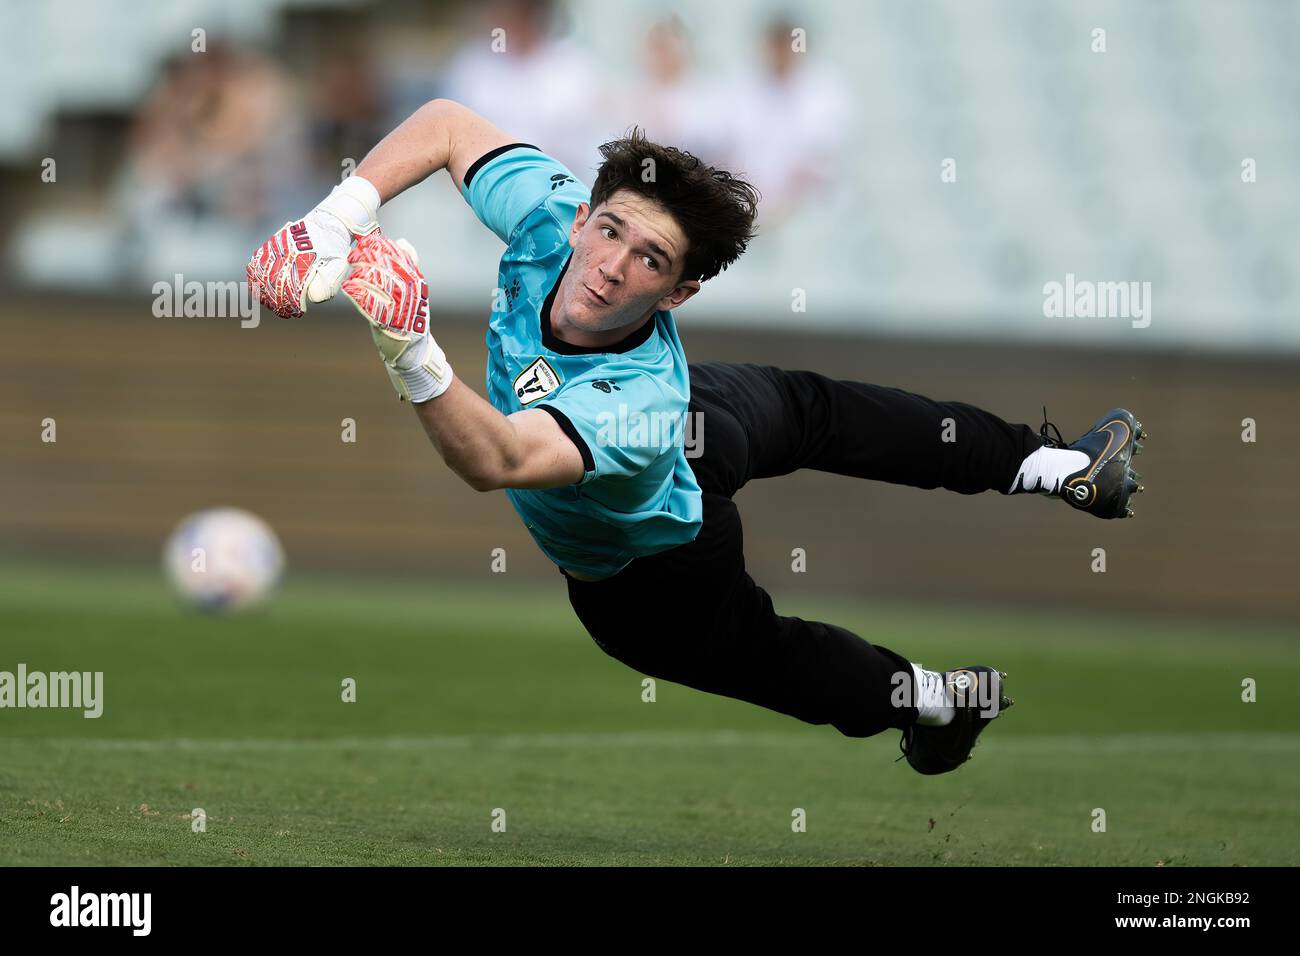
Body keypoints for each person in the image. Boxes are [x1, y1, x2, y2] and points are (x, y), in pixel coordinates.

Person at [246, 99, 1147, 775]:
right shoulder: (547, 219)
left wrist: (408, 345)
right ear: (581, 216)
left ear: (678, 295)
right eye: (609, 232)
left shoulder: (638, 403)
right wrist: (340, 215)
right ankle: (961, 663)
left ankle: (1049, 488)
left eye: (651, 261)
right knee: (807, 429)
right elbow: (445, 124)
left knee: (773, 636)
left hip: (662, 554)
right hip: (659, 505)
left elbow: (502, 460)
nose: (609, 268)